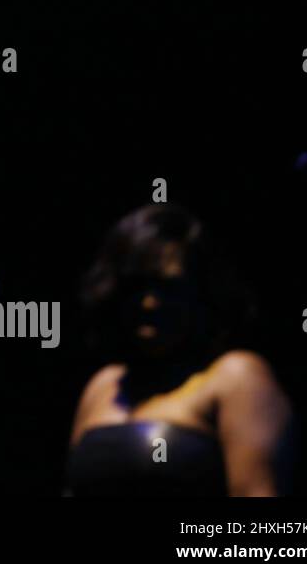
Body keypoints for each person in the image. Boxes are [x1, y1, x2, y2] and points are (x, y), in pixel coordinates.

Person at [67, 204, 293, 496]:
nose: (149, 303)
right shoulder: (104, 386)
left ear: (200, 291)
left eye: (168, 287)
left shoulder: (235, 377)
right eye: (137, 286)